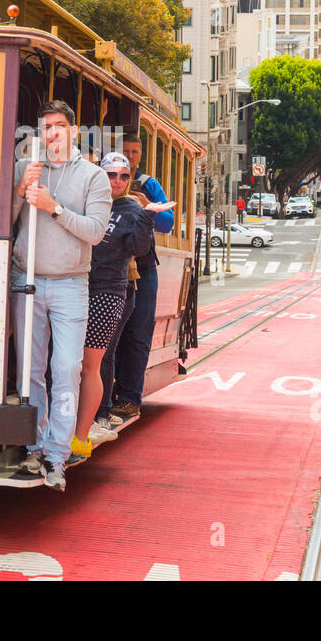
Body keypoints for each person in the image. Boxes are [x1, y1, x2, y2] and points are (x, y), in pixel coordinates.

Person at [10, 100, 111, 492]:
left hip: (71, 283)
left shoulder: (92, 177)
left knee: (66, 368)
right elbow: (3, 219)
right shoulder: (26, 169)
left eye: (57, 126)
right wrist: (21, 191)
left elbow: (95, 231)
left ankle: (57, 454)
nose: (51, 133)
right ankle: (34, 447)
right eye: (45, 127)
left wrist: (53, 207)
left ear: (72, 130)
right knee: (30, 369)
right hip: (27, 278)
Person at [71, 152, 174, 462]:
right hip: (76, 285)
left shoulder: (132, 207)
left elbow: (139, 248)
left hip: (114, 288)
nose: (117, 181)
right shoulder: (86, 199)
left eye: (123, 176)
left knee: (104, 355)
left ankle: (101, 416)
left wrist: (146, 216)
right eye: (111, 174)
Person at [110, 131, 175, 423]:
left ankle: (128, 399)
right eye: (126, 151)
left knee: (138, 334)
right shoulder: (106, 183)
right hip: (112, 268)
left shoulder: (149, 184)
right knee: (109, 337)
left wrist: (146, 204)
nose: (132, 156)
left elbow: (167, 223)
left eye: (136, 151)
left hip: (144, 267)